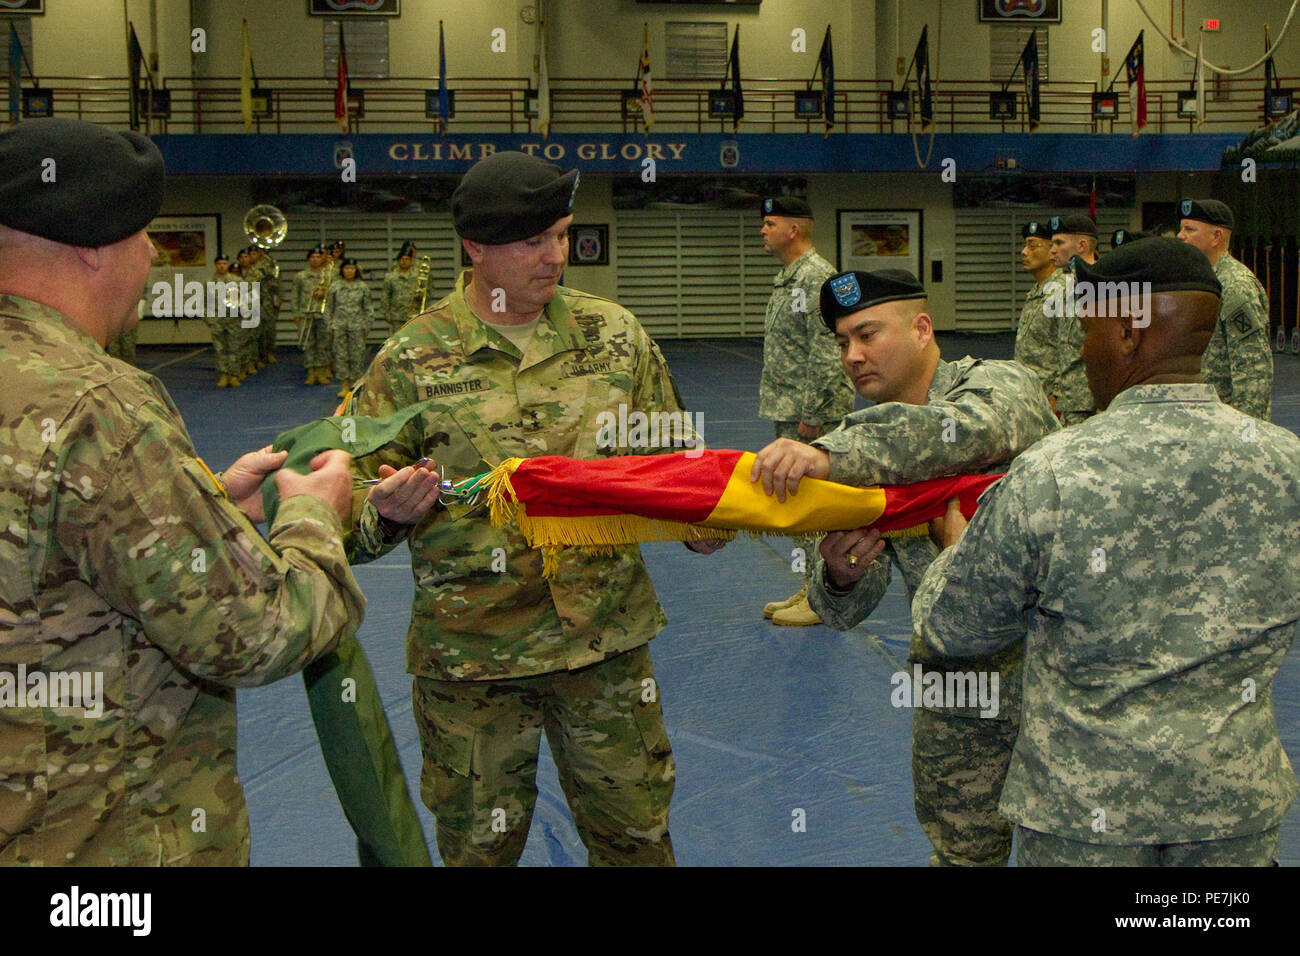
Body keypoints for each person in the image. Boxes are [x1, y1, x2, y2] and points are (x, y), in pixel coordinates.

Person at [0, 117, 373, 865]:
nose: (150, 258)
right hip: (97, 843)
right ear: (95, 245)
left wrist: (203, 503)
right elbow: (257, 634)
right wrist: (312, 515)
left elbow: (48, 556)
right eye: (146, 237)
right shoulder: (97, 405)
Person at [343, 150, 722, 866]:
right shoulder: (412, 360)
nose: (555, 257)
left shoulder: (615, 337)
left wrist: (707, 520)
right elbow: (340, 512)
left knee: (638, 842)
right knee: (479, 852)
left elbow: (679, 467)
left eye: (562, 235)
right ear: (475, 248)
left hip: (605, 649)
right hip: (474, 665)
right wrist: (385, 515)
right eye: (531, 242)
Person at [910, 237, 1300, 866]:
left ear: (1125, 333)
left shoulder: (1052, 473)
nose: (1083, 351)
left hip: (1086, 819)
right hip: (1232, 813)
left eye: (1087, 331)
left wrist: (956, 551)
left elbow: (954, 630)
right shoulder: (1289, 465)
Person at [749, 269, 1058, 866]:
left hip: (1054, 679)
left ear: (921, 329)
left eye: (867, 334)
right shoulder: (861, 446)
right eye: (842, 343)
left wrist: (832, 454)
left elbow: (966, 433)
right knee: (961, 855)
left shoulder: (996, 386)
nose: (853, 356)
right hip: (957, 687)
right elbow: (842, 611)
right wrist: (841, 573)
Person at [756, 196, 855, 627]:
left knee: (814, 507)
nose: (762, 230)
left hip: (811, 413)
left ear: (793, 230)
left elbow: (828, 351)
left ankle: (821, 598)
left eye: (770, 222)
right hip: (791, 407)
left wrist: (813, 412)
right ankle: (809, 589)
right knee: (798, 506)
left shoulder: (818, 278)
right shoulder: (787, 278)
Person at [1176, 198, 1273, 420]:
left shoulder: (1235, 286)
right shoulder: (1201, 279)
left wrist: (1246, 430)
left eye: (1190, 229)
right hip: (1202, 417)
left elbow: (1253, 369)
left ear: (1216, 236)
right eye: (1181, 228)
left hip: (1226, 421)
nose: (1181, 236)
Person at [1046, 214, 1099, 425]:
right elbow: (1063, 348)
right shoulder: (1067, 286)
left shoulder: (1105, 287)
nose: (1052, 250)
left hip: (1092, 404)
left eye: (1059, 243)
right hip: (1069, 402)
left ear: (1082, 245)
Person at [1012, 220, 1063, 404]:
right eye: (1025, 245)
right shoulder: (1037, 290)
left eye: (1033, 246)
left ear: (1052, 252)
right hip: (1031, 395)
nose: (1024, 252)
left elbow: (1071, 350)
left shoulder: (1062, 291)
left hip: (1050, 400)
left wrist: (1058, 398)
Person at [326, 257, 374, 399]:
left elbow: (368, 309)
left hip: (357, 326)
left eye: (352, 268)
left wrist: (367, 327)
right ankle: (344, 384)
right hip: (339, 326)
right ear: (342, 270)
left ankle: (356, 385)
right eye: (346, 268)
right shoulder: (335, 287)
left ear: (356, 270)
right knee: (341, 356)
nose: (349, 271)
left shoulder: (363, 287)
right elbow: (329, 308)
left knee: (357, 355)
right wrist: (330, 326)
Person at [294, 244, 332, 386]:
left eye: (318, 257)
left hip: (323, 314)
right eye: (312, 257)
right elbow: (295, 296)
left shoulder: (327, 275)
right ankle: (311, 372)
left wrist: (324, 293)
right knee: (308, 345)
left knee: (323, 344)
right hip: (306, 314)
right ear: (308, 259)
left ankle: (321, 372)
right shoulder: (301, 276)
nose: (315, 260)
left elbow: (335, 294)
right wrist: (296, 314)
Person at [208, 251, 243, 387]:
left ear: (228, 264)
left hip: (233, 320)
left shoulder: (237, 281)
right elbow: (203, 304)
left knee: (234, 348)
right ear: (215, 265)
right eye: (219, 264)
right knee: (220, 349)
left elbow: (246, 299)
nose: (221, 266)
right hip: (217, 321)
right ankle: (223, 374)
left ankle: (234, 375)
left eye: (224, 263)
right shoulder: (210, 283)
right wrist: (209, 320)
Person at [383, 240, 420, 334]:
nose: (404, 262)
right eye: (402, 259)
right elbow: (386, 295)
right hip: (397, 314)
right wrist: (386, 312)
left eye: (407, 259)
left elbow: (426, 291)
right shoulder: (391, 276)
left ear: (411, 260)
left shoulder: (417, 275)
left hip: (414, 312)